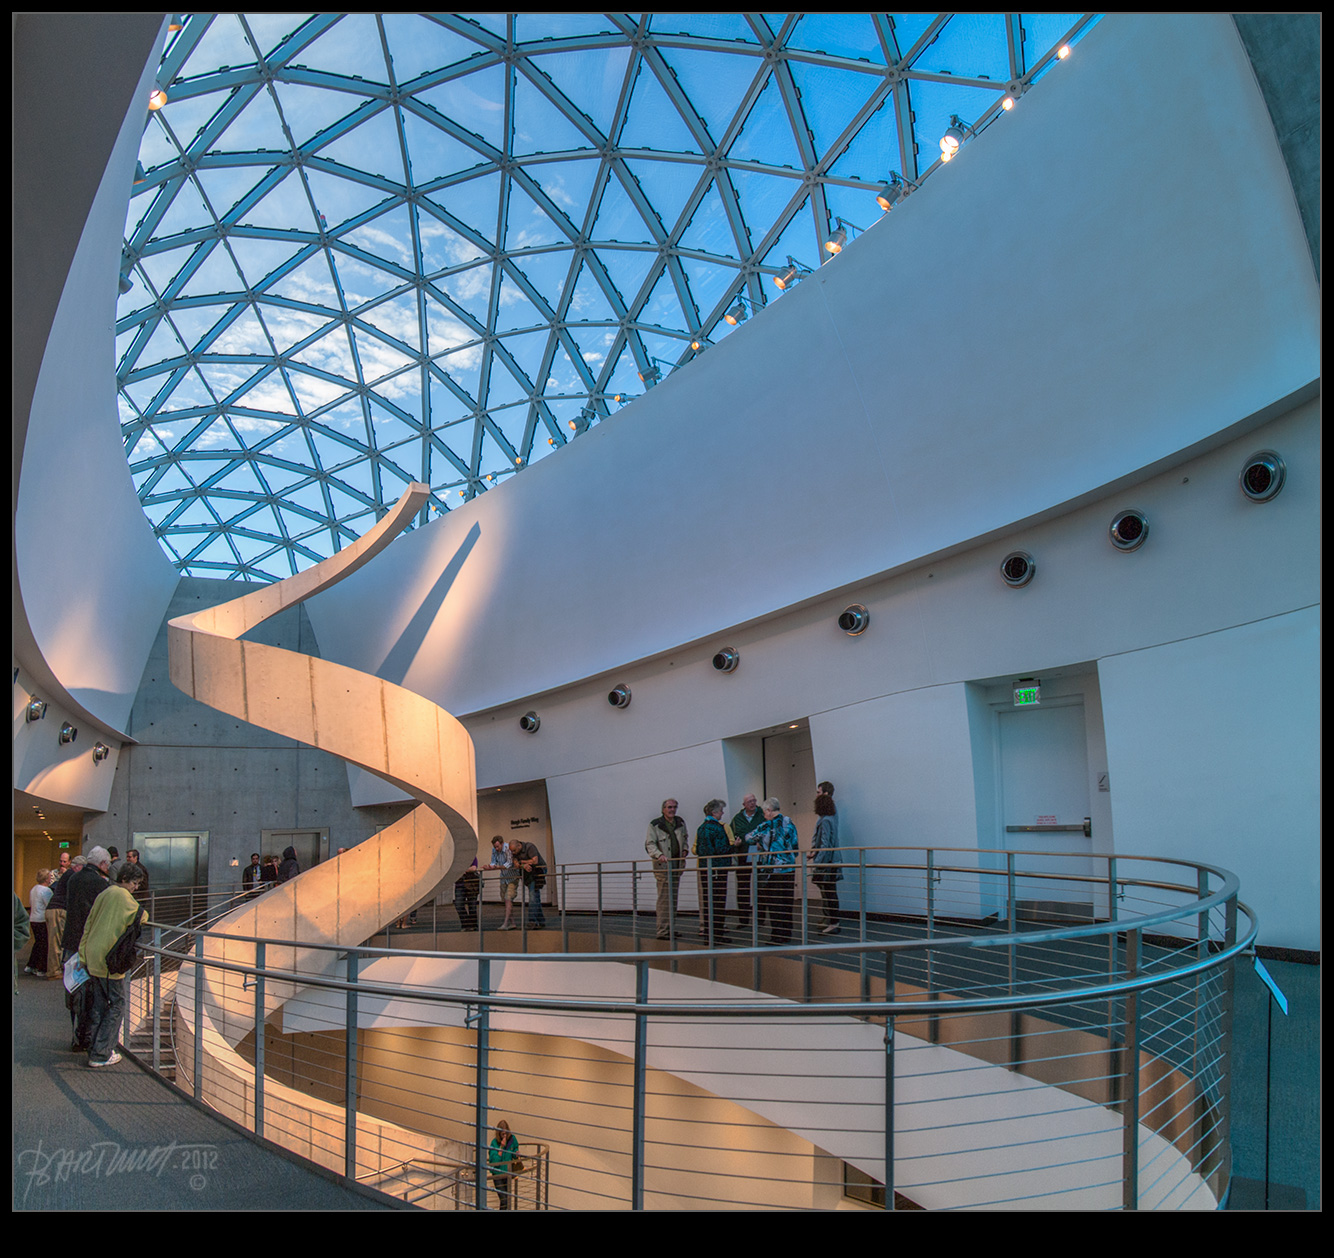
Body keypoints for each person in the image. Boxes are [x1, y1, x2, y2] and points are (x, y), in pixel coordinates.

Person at [78, 863, 148, 1067]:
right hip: (110, 959)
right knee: (117, 1004)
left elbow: (89, 924)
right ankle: (101, 1053)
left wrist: (83, 954)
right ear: (126, 879)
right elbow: (142, 916)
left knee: (99, 1005)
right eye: (135, 883)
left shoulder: (104, 893)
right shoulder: (124, 897)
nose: (136, 887)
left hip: (93, 955)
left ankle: (95, 1048)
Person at [63, 847, 113, 1052]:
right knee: (91, 994)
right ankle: (86, 1037)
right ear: (102, 865)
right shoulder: (101, 884)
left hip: (71, 942)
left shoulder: (73, 879)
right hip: (89, 945)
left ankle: (76, 1033)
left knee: (74, 990)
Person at [751, 798, 799, 945]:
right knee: (787, 902)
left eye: (764, 812)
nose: (764, 815)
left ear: (769, 810)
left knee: (774, 903)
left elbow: (749, 837)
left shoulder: (766, 826)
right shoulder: (789, 822)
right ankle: (787, 933)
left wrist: (760, 843)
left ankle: (777, 936)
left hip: (774, 870)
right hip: (789, 868)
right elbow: (795, 845)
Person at [646, 800, 688, 940]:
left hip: (676, 866)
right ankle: (663, 930)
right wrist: (659, 855)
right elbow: (650, 844)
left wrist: (685, 850)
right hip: (663, 868)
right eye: (669, 807)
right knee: (664, 900)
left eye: (675, 807)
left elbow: (685, 838)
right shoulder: (656, 824)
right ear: (663, 809)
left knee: (673, 898)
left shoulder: (680, 822)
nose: (672, 810)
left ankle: (670, 928)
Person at [694, 800, 731, 944]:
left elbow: (699, 849)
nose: (722, 813)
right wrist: (734, 847)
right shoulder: (717, 828)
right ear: (714, 812)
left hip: (706, 869)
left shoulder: (701, 828)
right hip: (718, 870)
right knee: (719, 902)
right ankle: (717, 936)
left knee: (708, 901)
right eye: (721, 810)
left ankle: (709, 936)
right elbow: (722, 850)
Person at [729, 794, 765, 932]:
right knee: (743, 888)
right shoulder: (737, 819)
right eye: (749, 802)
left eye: (754, 801)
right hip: (743, 856)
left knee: (760, 888)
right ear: (743, 804)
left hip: (759, 856)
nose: (752, 803)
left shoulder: (762, 815)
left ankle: (760, 919)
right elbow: (734, 836)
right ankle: (743, 919)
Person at [44, 855, 83, 980]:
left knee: (56, 941)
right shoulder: (72, 875)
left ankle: (54, 969)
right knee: (56, 943)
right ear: (78, 866)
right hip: (58, 910)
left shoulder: (68, 874)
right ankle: (53, 972)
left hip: (54, 909)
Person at [810, 793, 843, 935]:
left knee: (829, 894)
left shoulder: (824, 821)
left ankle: (833, 923)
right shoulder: (832, 819)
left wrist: (817, 862)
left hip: (827, 864)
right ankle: (833, 922)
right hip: (832, 862)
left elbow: (824, 845)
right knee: (831, 893)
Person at [508, 840, 546, 930]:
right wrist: (524, 865)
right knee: (535, 896)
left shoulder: (530, 847)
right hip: (529, 874)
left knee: (533, 896)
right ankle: (541, 921)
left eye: (514, 851)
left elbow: (535, 861)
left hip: (538, 872)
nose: (513, 853)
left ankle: (532, 921)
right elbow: (516, 864)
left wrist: (522, 862)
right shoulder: (515, 852)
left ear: (519, 846)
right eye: (511, 851)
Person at [484, 837, 519, 931]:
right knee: (506, 901)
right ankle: (512, 923)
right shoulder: (494, 850)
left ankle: (505, 923)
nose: (496, 849)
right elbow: (493, 861)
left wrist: (496, 867)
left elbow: (508, 864)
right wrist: (490, 866)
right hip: (503, 878)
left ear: (502, 844)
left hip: (512, 878)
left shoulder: (508, 848)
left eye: (497, 846)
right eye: (495, 847)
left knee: (508, 899)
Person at [25, 870, 53, 977]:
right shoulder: (46, 891)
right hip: (42, 919)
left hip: (33, 918)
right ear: (46, 879)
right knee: (44, 944)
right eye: (49, 877)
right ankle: (41, 968)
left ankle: (31, 965)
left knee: (38, 943)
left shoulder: (34, 889)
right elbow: (49, 905)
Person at [488, 1119, 521, 1210]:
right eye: (502, 1134)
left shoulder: (512, 1139)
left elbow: (514, 1150)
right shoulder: (494, 1143)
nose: (505, 1136)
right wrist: (501, 1147)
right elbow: (494, 1161)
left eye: (506, 1133)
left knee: (507, 1200)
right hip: (498, 1175)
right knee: (504, 1200)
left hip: (507, 1174)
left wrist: (516, 1153)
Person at [454, 858, 480, 932]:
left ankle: (473, 925)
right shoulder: (456, 858)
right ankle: (466, 924)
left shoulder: (472, 857)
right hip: (460, 883)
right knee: (458, 904)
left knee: (472, 905)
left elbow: (474, 868)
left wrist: (462, 870)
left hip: (471, 883)